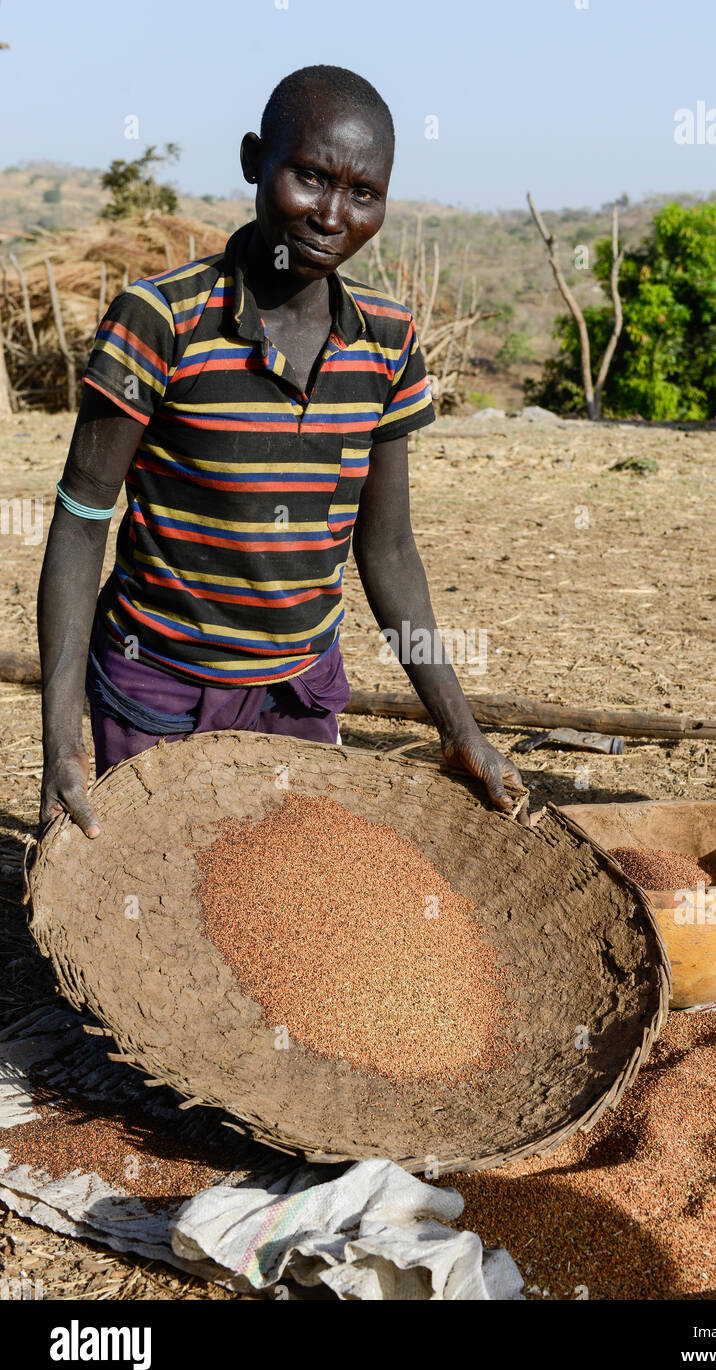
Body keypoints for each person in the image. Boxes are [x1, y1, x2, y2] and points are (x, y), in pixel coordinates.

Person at [38, 64, 527, 838]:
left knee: (278, 920)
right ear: (251, 162)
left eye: (364, 193)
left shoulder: (389, 344)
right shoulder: (162, 320)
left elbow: (390, 550)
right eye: (309, 177)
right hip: (160, 691)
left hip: (299, 696)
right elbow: (80, 522)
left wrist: (458, 727)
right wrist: (61, 743)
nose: (333, 215)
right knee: (165, 912)